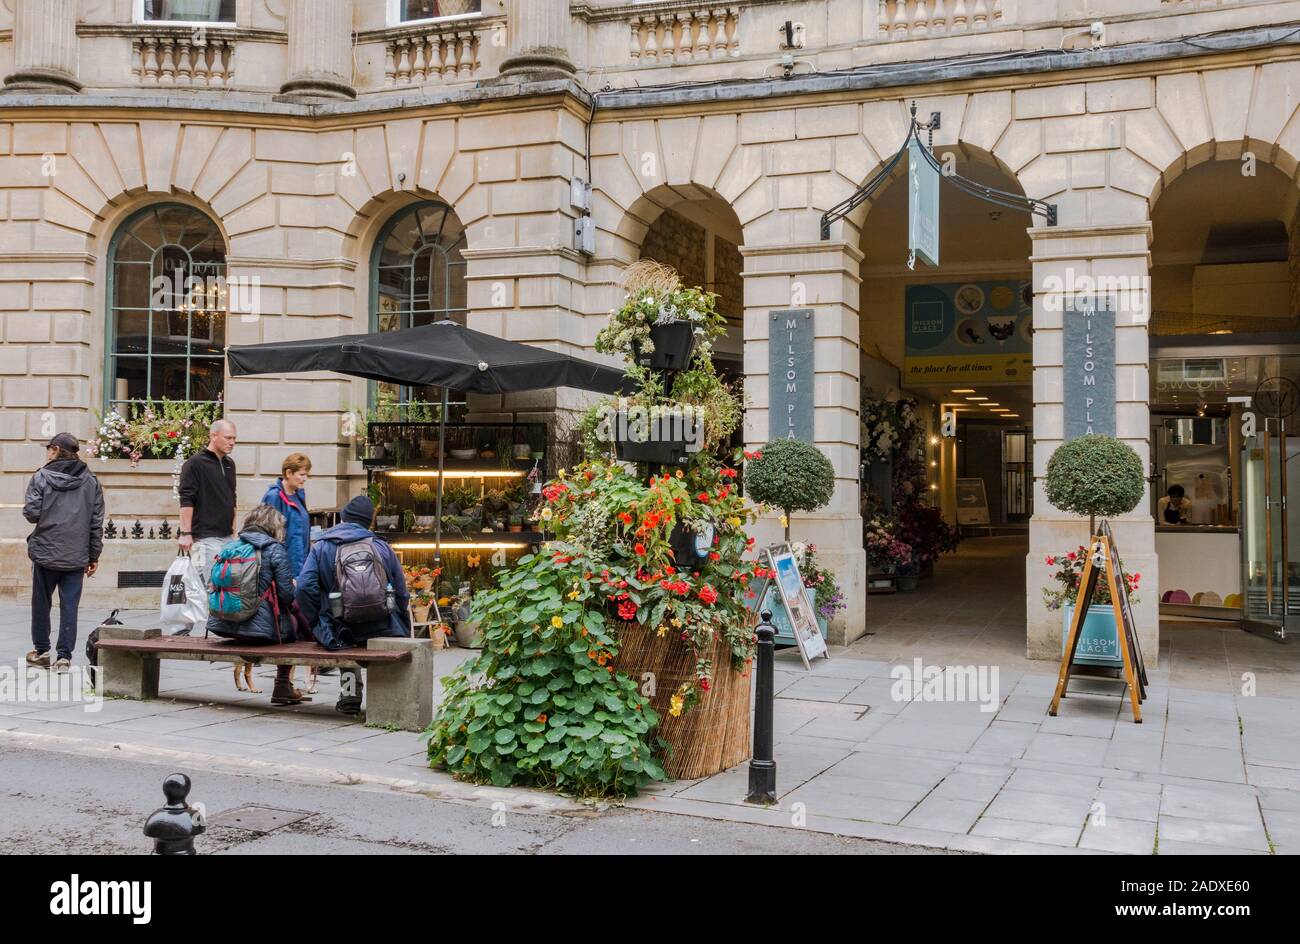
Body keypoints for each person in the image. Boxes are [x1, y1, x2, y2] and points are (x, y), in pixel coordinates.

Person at [296, 495, 410, 715]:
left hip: (341, 627)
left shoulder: (322, 547)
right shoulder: (381, 547)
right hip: (382, 625)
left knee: (342, 641)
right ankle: (385, 702)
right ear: (368, 521)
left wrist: (317, 619)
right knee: (382, 638)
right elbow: (401, 591)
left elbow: (303, 588)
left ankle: (350, 696)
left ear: (344, 518)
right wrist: (399, 617)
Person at [205, 504, 312, 706]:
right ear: (274, 527)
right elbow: (287, 596)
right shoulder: (274, 550)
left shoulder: (230, 547)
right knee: (295, 627)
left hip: (223, 626)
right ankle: (282, 684)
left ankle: (285, 684)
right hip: (261, 633)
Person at [23, 433, 105, 671]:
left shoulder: (41, 477)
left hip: (45, 552)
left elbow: (31, 514)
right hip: (76, 554)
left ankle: (42, 651)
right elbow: (96, 522)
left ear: (56, 450)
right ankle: (64, 657)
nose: (47, 452)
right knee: (69, 606)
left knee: (41, 603)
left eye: (49, 448)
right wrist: (94, 555)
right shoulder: (91, 481)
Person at [261, 453, 313, 692]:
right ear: (288, 473)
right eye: (302, 474)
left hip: (300, 566)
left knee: (298, 621)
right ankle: (284, 682)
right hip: (283, 568)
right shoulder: (274, 496)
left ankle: (286, 682)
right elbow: (268, 533)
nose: (305, 478)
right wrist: (281, 570)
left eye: (306, 474)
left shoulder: (299, 495)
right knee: (292, 622)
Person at [178, 419, 238, 607]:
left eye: (234, 438)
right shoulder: (194, 464)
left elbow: (232, 498)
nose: (232, 442)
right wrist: (185, 534)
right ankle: (183, 630)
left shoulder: (230, 464)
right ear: (213, 436)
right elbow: (186, 499)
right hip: (203, 537)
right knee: (206, 585)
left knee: (225, 586)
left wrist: (234, 530)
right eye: (228, 437)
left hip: (226, 537)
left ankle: (216, 628)